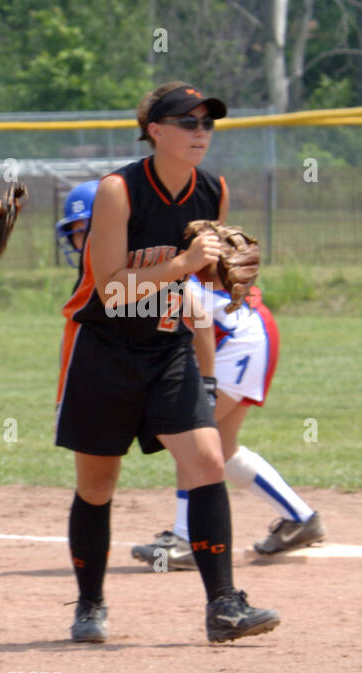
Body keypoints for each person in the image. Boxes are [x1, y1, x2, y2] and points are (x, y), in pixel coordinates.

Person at [55, 81, 281, 644]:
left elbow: (195, 283)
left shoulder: (213, 190)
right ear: (155, 131)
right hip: (103, 350)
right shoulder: (118, 191)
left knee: (206, 461)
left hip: (168, 347)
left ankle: (224, 607)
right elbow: (108, 291)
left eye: (207, 123)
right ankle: (90, 604)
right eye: (187, 122)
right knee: (99, 484)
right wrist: (183, 262)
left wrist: (217, 273)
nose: (200, 132)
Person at [57, 182, 326, 571]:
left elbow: (197, 316)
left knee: (191, 438)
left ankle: (185, 540)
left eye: (88, 228)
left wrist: (206, 384)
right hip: (245, 334)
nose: (83, 239)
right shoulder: (138, 260)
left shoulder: (147, 258)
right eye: (80, 231)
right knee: (221, 448)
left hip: (238, 339)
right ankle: (300, 519)